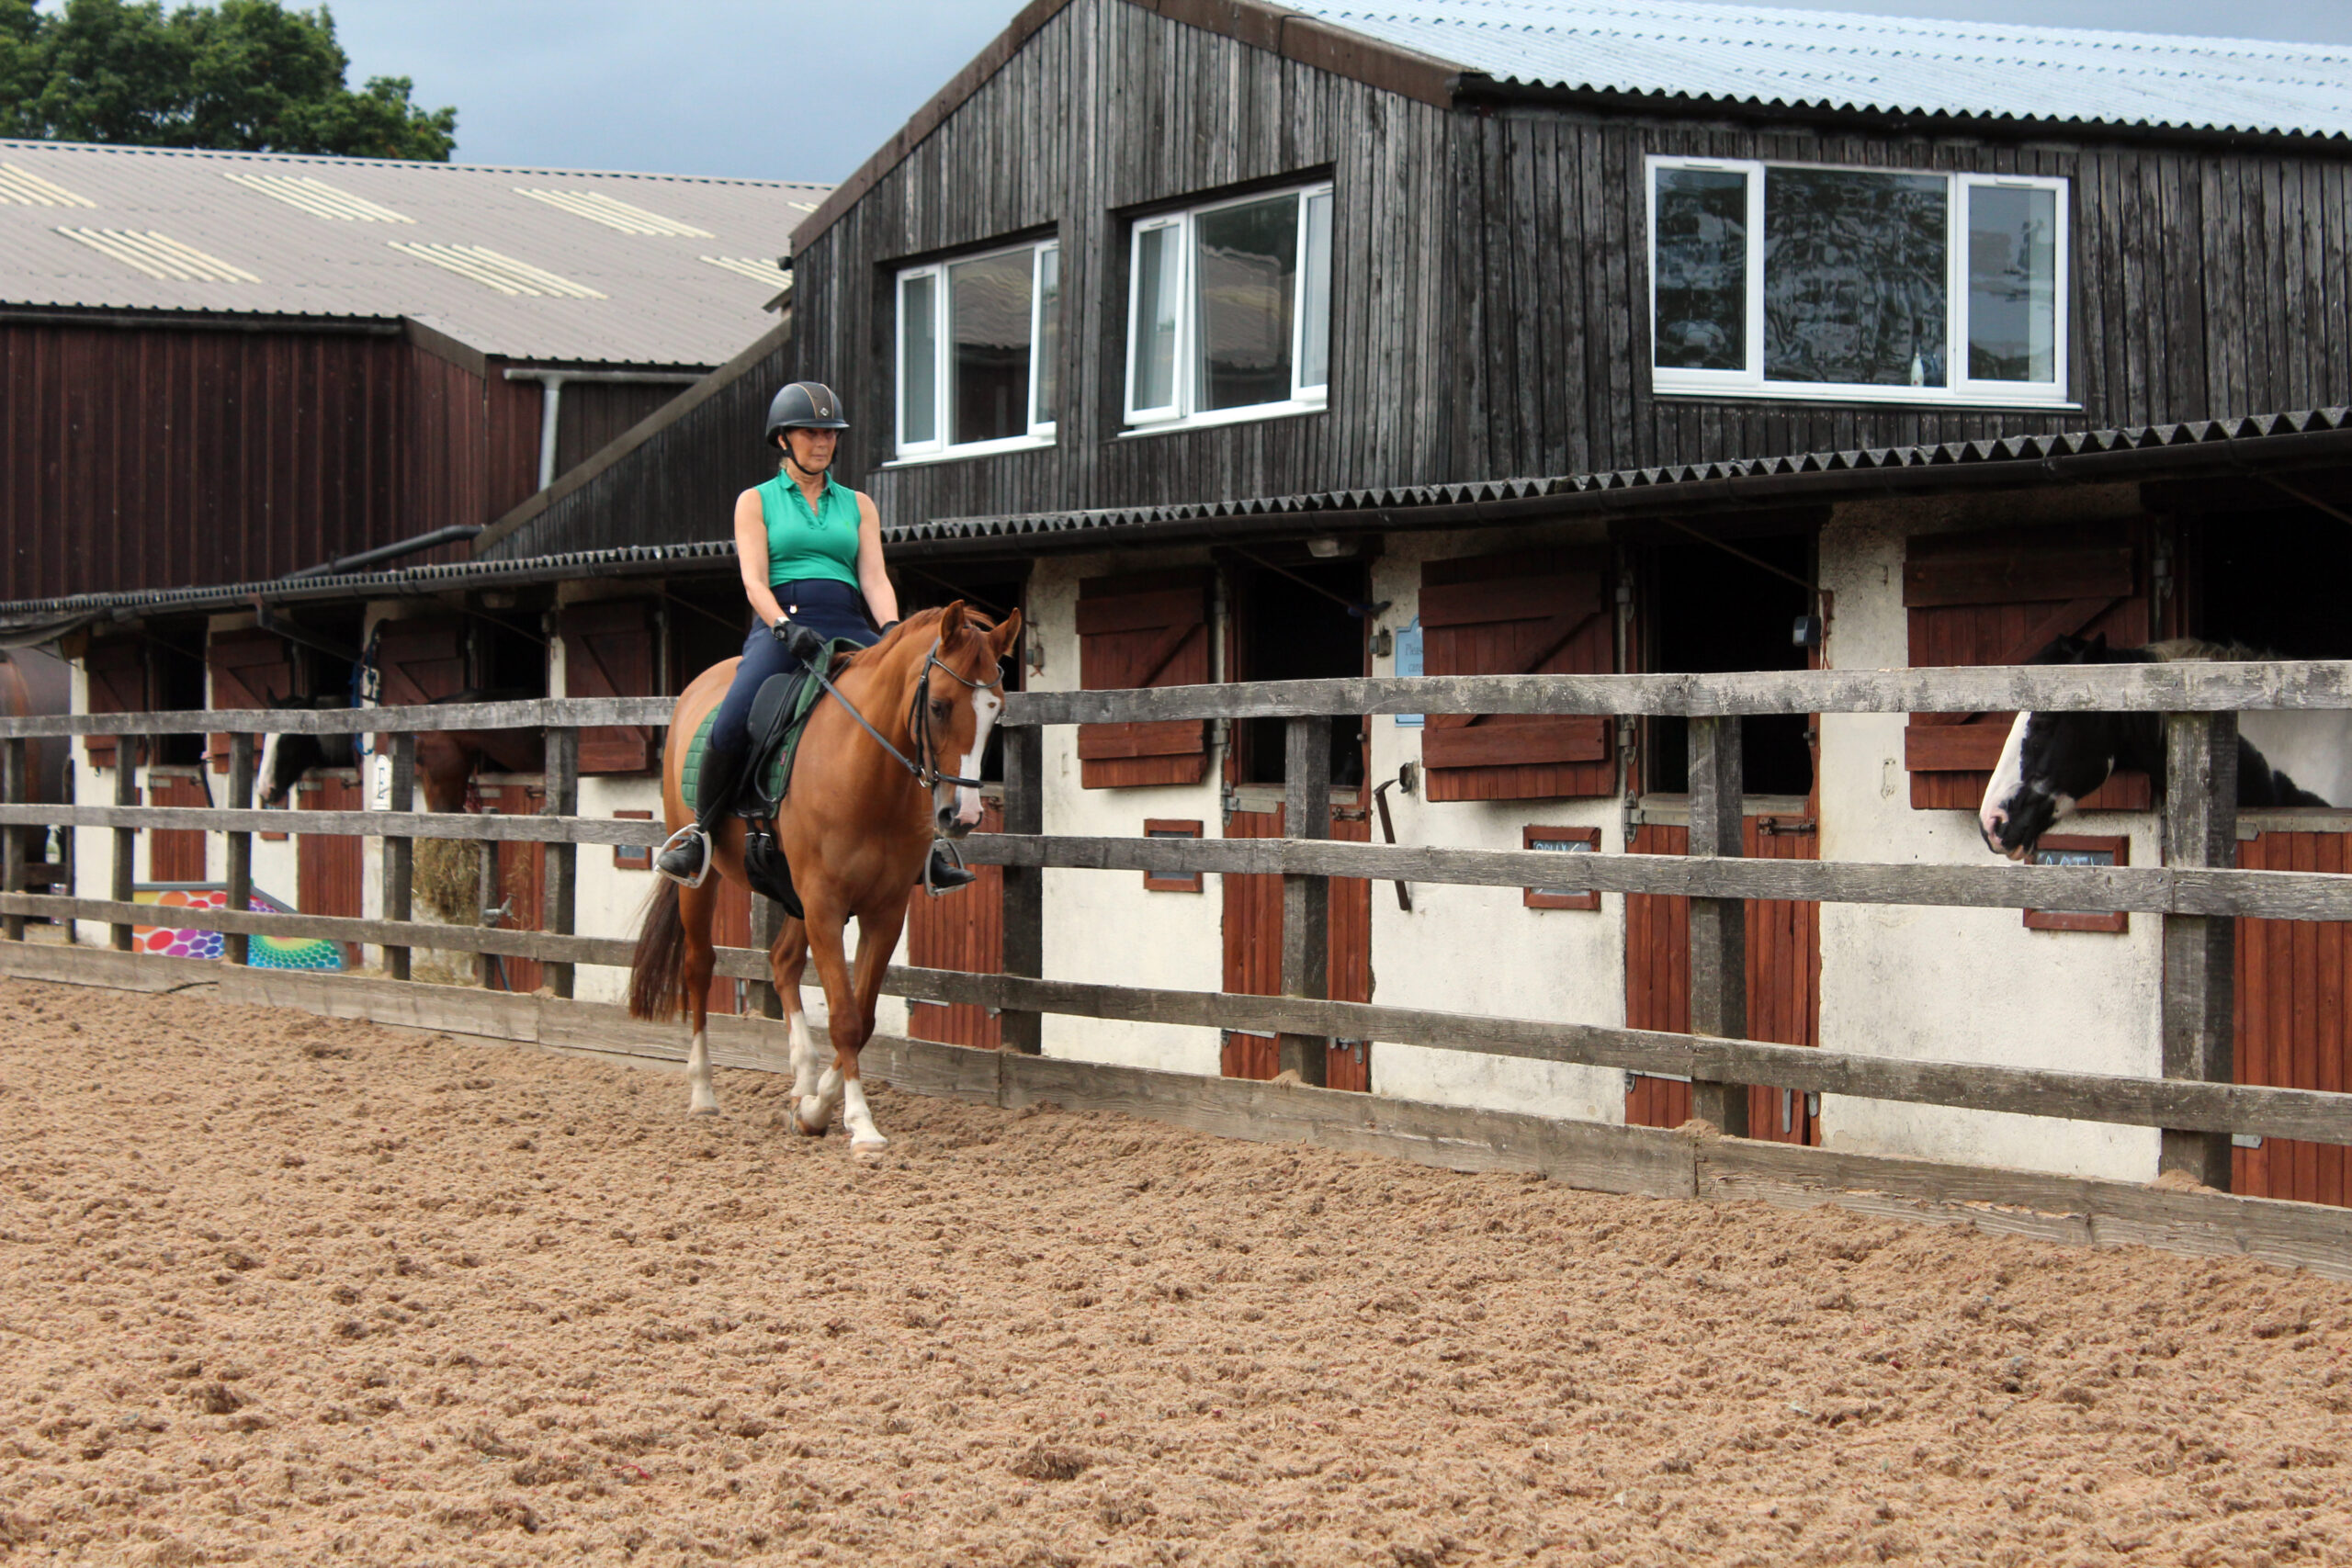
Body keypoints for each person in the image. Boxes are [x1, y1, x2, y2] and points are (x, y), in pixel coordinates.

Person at [655, 380, 973, 890]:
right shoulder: (754, 502)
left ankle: (927, 846)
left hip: (850, 623)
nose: (822, 442)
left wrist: (890, 632)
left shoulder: (858, 504)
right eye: (810, 432)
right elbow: (753, 580)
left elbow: (873, 577)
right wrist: (783, 625)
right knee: (733, 718)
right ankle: (699, 834)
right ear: (783, 439)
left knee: (909, 708)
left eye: (830, 433)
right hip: (782, 627)